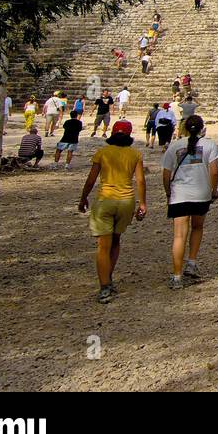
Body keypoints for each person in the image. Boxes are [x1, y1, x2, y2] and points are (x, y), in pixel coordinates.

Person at [78, 120, 147, 304]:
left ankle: (104, 286)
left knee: (103, 245)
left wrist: (83, 197)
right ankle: (108, 277)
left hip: (105, 200)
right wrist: (143, 204)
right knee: (116, 241)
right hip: (126, 201)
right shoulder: (135, 154)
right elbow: (140, 181)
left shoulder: (102, 153)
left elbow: (91, 179)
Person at [161, 115, 218, 290]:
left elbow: (166, 174)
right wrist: (214, 190)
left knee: (179, 235)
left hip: (179, 194)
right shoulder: (209, 145)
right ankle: (192, 262)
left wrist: (168, 192)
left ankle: (177, 276)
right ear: (203, 128)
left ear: (185, 128)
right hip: (201, 192)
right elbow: (215, 171)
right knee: (197, 227)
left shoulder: (175, 146)